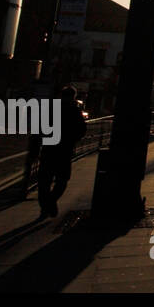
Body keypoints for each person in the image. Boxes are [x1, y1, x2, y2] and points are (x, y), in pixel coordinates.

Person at [37, 86, 87, 219]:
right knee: (62, 180)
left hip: (49, 149)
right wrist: (72, 140)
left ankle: (45, 206)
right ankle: (51, 202)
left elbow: (40, 129)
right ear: (74, 97)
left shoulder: (51, 109)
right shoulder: (75, 111)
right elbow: (82, 130)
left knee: (44, 182)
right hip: (64, 150)